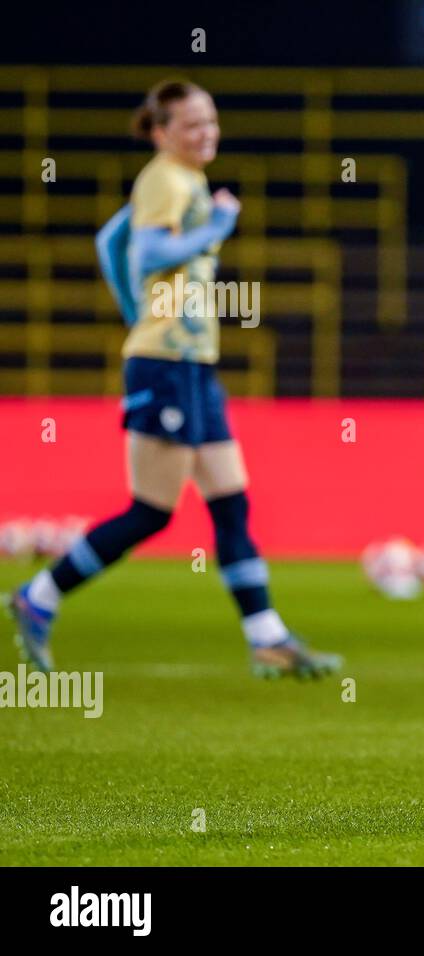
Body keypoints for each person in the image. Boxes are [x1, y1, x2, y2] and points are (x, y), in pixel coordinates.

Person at [6, 79, 341, 680]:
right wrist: (216, 228)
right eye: (190, 125)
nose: (205, 133)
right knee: (151, 512)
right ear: (161, 132)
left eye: (210, 121)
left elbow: (110, 242)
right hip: (165, 367)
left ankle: (267, 637)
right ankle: (40, 596)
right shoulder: (167, 177)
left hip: (190, 367)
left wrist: (140, 312)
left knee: (232, 504)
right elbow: (147, 255)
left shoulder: (176, 180)